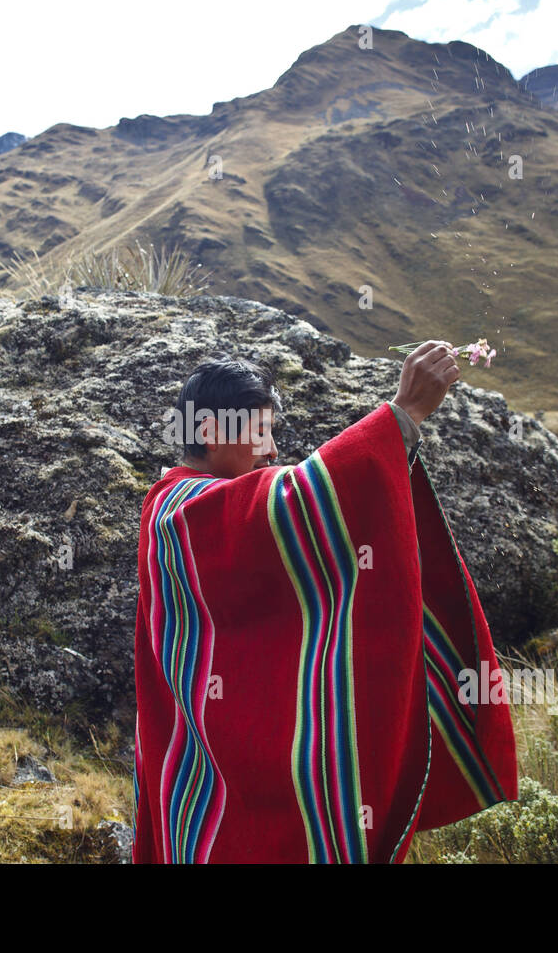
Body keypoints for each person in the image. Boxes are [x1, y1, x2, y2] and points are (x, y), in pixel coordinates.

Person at [131, 342, 518, 863]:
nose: (271, 451)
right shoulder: (178, 509)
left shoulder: (192, 502)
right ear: (208, 432)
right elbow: (289, 503)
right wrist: (401, 416)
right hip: (208, 765)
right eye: (258, 434)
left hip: (230, 756)